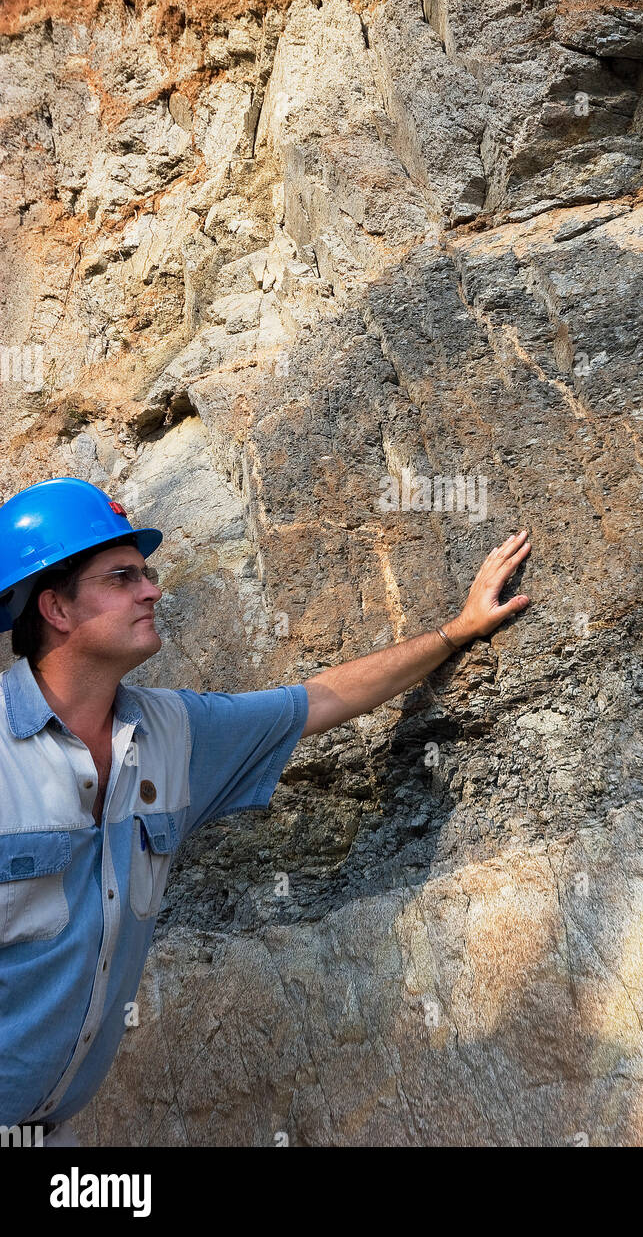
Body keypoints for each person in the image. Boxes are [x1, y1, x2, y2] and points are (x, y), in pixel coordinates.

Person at [0, 477, 531, 1145]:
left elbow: (319, 701)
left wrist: (457, 631)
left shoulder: (174, 734)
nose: (152, 590)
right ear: (56, 608)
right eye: (122, 577)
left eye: (147, 573)